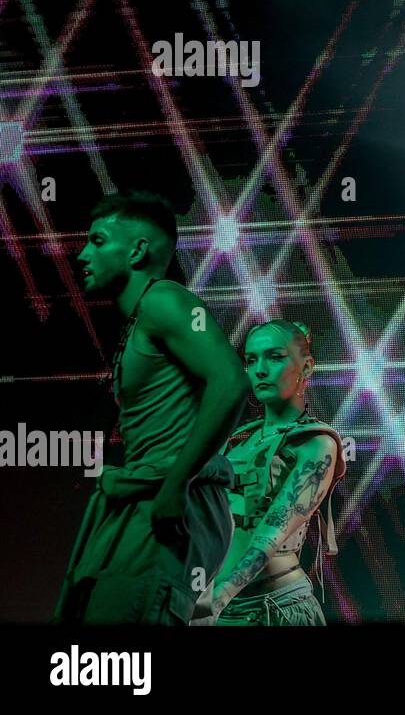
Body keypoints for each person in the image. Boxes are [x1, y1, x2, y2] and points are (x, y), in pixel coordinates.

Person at [55, 190, 248, 624]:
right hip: (144, 504)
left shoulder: (166, 300)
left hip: (166, 508)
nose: (83, 254)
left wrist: (175, 485)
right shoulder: (142, 317)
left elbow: (231, 380)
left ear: (138, 250)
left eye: (98, 240)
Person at [195, 319, 346, 625]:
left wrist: (215, 602)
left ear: (306, 367)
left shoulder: (317, 444)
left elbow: (271, 535)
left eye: (275, 357)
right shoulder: (238, 441)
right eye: (251, 360)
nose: (259, 369)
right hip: (220, 607)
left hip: (275, 609)